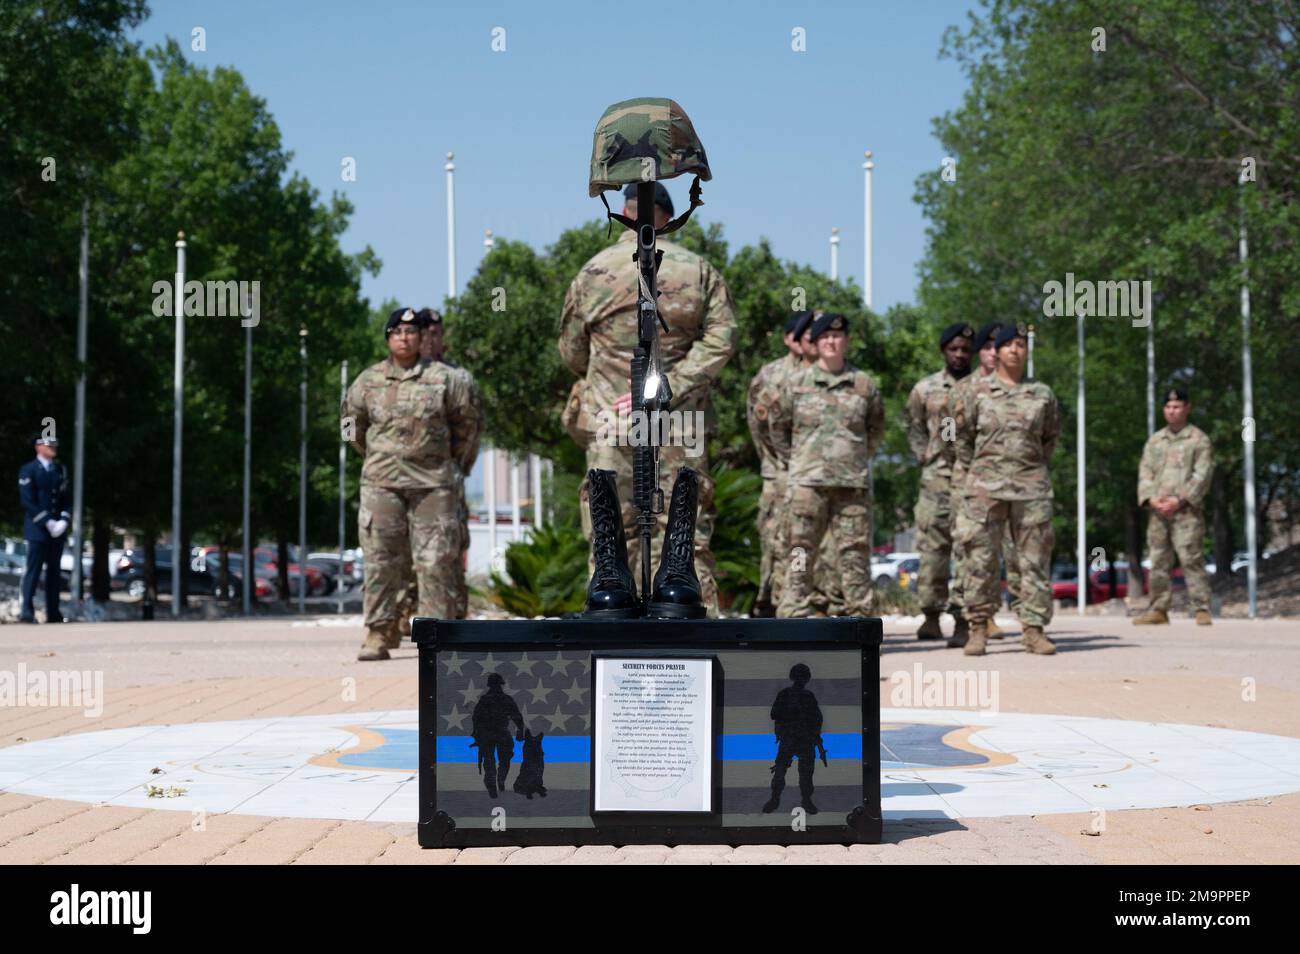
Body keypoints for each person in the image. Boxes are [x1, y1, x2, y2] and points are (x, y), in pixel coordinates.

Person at [558, 181, 736, 616]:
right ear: (666, 216)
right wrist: (668, 384)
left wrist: (616, 383)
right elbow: (723, 339)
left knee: (609, 534)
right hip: (680, 422)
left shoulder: (593, 271)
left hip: (610, 420)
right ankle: (693, 641)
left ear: (625, 210)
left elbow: (571, 350)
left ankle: (613, 636)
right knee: (685, 536)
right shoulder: (697, 271)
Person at [343, 307, 483, 660]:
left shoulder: (446, 379)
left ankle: (435, 634)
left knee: (435, 560)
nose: (405, 337)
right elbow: (350, 427)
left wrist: (451, 466)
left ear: (423, 339)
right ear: (388, 338)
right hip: (381, 484)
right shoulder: (367, 380)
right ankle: (379, 632)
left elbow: (467, 426)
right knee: (381, 559)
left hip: (433, 484)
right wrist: (376, 457)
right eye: (398, 331)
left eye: (412, 331)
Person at [954, 323, 1060, 655]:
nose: (1014, 349)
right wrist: (985, 469)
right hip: (985, 488)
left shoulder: (1042, 394)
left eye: (1020, 344)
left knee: (1033, 561)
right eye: (1008, 344)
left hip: (1031, 487)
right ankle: (978, 628)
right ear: (996, 351)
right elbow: (963, 439)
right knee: (980, 560)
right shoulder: (975, 392)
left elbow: (1050, 438)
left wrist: (1028, 466)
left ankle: (1033, 629)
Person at [774, 312, 885, 618]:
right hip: (807, 486)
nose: (831, 342)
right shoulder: (795, 385)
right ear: (816, 342)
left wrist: (856, 458)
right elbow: (777, 428)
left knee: (855, 555)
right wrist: (797, 461)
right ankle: (794, 617)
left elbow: (875, 427)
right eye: (825, 337)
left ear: (846, 341)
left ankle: (859, 621)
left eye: (837, 336)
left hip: (851, 485)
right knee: (799, 551)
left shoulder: (864, 385)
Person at [904, 323, 973, 642]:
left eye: (965, 349)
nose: (959, 355)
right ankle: (931, 616)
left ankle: (964, 619)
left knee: (969, 549)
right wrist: (924, 455)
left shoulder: (980, 387)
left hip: (972, 478)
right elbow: (913, 425)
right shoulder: (925, 389)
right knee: (933, 550)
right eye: (953, 349)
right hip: (935, 480)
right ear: (944, 351)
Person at [748, 310, 814, 617]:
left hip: (817, 477)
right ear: (790, 339)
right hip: (779, 474)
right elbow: (758, 423)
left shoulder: (829, 374)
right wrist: (777, 463)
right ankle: (771, 603)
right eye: (805, 333)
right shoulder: (772, 375)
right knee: (777, 542)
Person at [1134, 387, 1215, 625]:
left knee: (1191, 558)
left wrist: (1179, 499)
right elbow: (1145, 471)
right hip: (1158, 511)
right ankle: (1159, 609)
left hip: (1186, 511)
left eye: (1177, 406)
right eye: (1168, 407)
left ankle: (1201, 608)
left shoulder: (1198, 440)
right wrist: (1151, 498)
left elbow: (1203, 474)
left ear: (1187, 408)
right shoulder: (1155, 440)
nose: (1172, 411)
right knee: (1158, 560)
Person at [18, 434, 70, 624]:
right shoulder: (29, 470)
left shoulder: (59, 470)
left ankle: (53, 611)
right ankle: (26, 611)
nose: (54, 448)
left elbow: (65, 499)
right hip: (37, 530)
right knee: (33, 571)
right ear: (38, 447)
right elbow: (27, 501)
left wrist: (64, 519)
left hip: (57, 530)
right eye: (50, 445)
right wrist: (47, 521)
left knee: (54, 572)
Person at [762, 663, 825, 815]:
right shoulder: (789, 695)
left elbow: (817, 720)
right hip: (792, 739)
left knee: (802, 774)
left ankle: (802, 800)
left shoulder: (804, 696)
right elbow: (775, 714)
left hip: (801, 739)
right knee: (783, 772)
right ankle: (776, 799)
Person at [471, 673, 526, 798]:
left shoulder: (484, 700)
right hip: (500, 733)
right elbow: (517, 717)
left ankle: (493, 783)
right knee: (503, 759)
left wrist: (477, 735)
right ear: (500, 684)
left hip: (489, 734)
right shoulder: (506, 699)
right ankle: (499, 781)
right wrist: (520, 731)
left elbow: (476, 719)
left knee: (491, 760)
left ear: (489, 685)